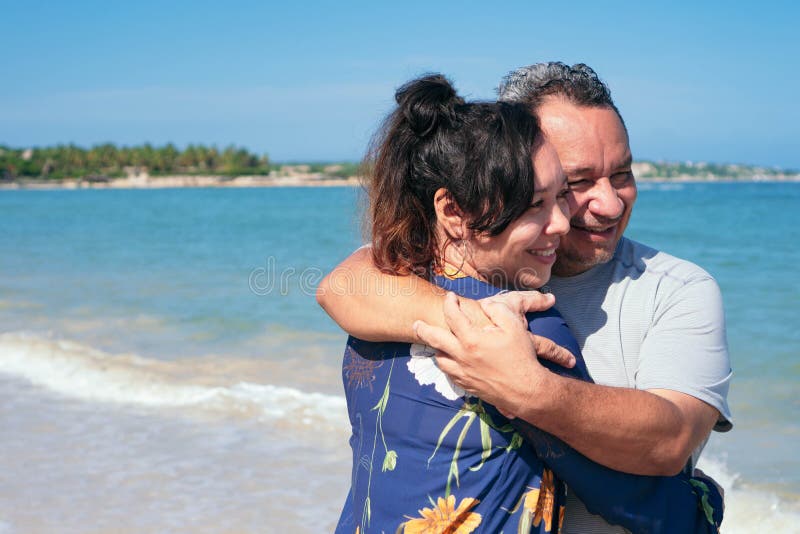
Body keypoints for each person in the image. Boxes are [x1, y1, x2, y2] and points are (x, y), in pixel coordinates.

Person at [319, 63, 732, 533]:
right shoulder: (521, 316)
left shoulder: (675, 290)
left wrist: (528, 387)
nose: (612, 205)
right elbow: (336, 285)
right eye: (572, 184)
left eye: (621, 173)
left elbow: (669, 440)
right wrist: (479, 328)